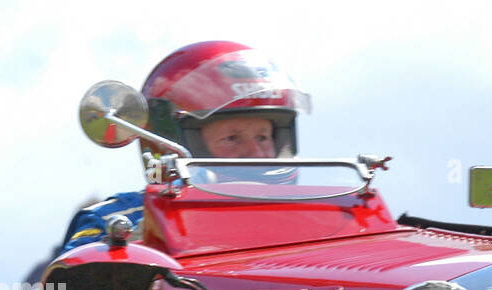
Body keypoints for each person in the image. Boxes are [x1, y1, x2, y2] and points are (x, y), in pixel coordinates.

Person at [60, 40, 310, 253]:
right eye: (232, 138)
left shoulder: (324, 217)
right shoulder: (113, 222)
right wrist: (132, 253)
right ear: (168, 143)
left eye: (263, 137)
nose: (256, 154)